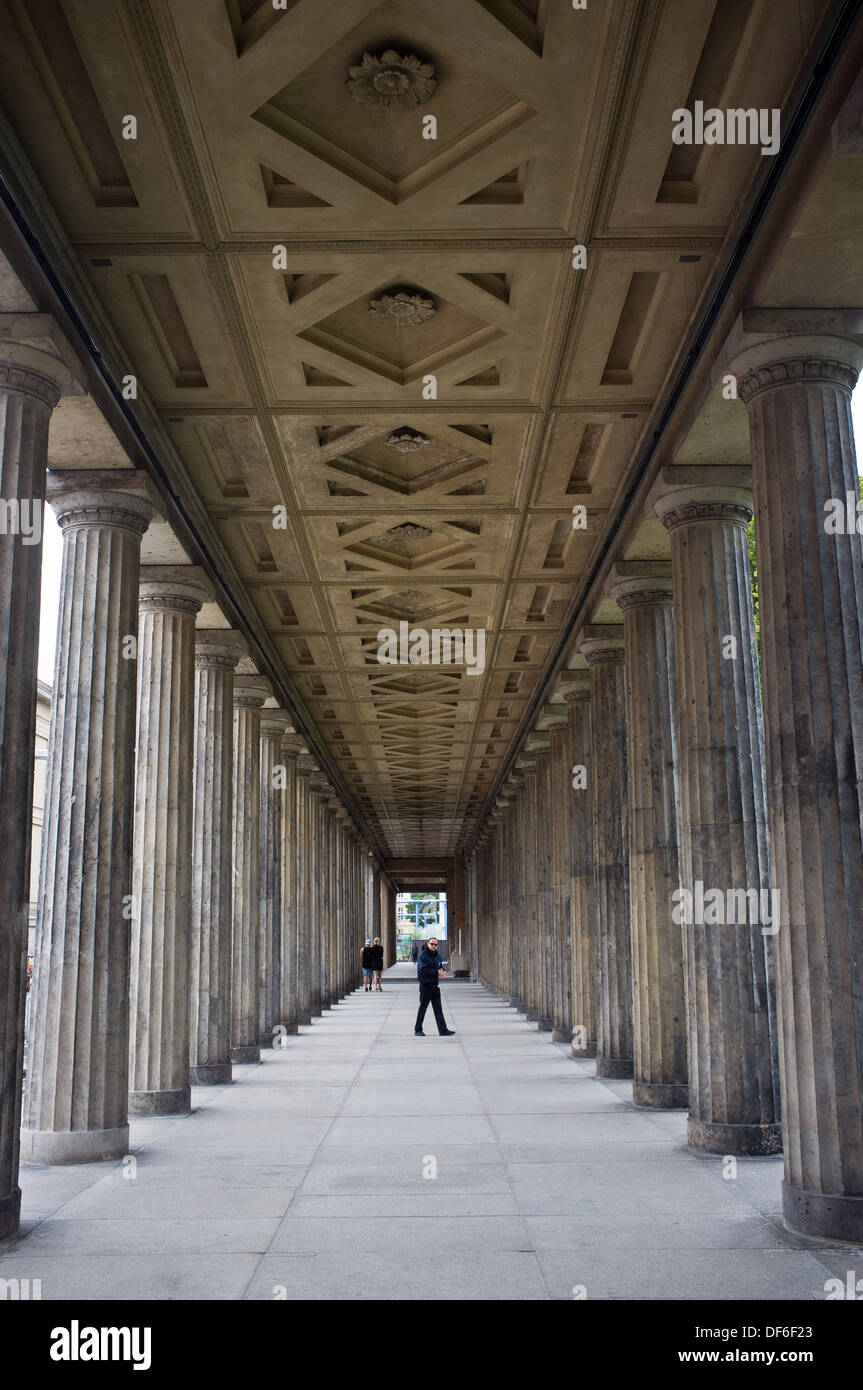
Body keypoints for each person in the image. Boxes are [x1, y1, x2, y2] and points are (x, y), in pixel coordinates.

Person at [414, 937, 455, 1036]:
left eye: (435, 944)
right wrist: (436, 972)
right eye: (432, 944)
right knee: (423, 1008)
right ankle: (418, 1030)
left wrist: (442, 971)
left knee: (438, 1010)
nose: (433, 946)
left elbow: (440, 967)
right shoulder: (422, 956)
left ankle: (443, 1030)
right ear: (428, 944)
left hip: (435, 986)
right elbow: (422, 970)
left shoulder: (437, 956)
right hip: (425, 986)